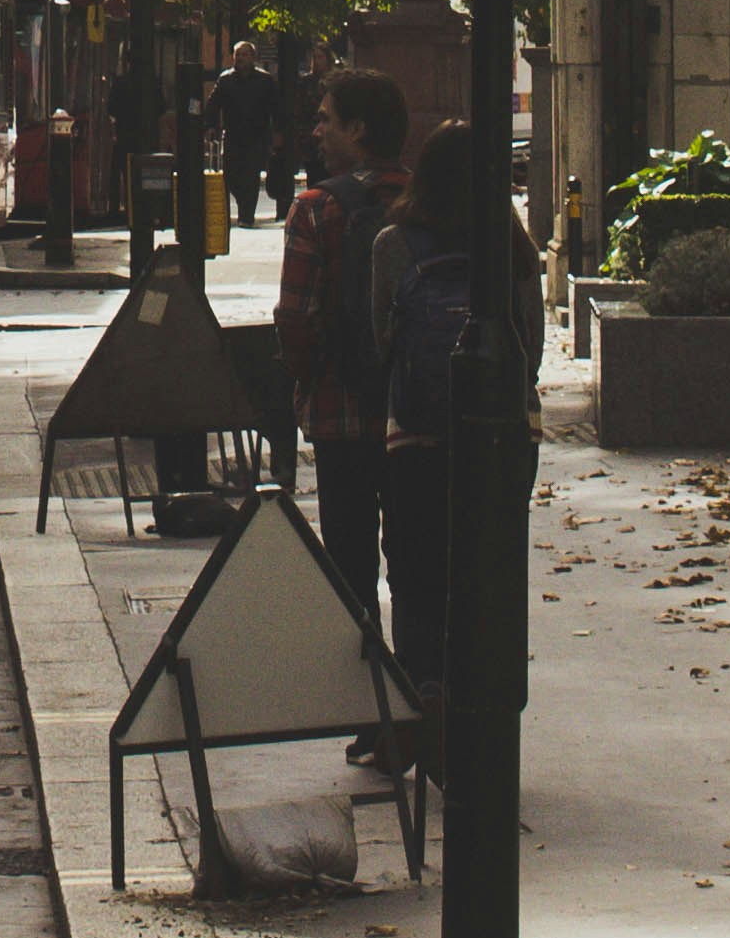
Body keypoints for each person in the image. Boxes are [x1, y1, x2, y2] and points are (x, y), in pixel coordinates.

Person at [367, 118, 524, 738]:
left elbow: (380, 341)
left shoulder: (393, 244)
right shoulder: (511, 243)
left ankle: (422, 689)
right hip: (499, 442)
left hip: (415, 438)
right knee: (488, 566)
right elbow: (530, 345)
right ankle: (480, 697)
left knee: (413, 570)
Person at [269, 70, 408, 744]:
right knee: (414, 565)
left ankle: (373, 712)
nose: (317, 131)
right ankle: (421, 702)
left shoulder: (315, 208)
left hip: (340, 416)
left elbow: (293, 318)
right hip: (416, 419)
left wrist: (304, 381)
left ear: (359, 129)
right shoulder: (427, 198)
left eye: (327, 119)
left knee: (349, 568)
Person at [209, 47, 281, 224]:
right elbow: (213, 104)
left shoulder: (265, 80)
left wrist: (277, 132)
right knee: (231, 176)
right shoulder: (225, 79)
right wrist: (211, 126)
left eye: (245, 55)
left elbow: (276, 108)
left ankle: (247, 216)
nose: (241, 58)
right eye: (238, 55)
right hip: (233, 135)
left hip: (257, 136)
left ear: (253, 57)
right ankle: (242, 204)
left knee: (251, 176)